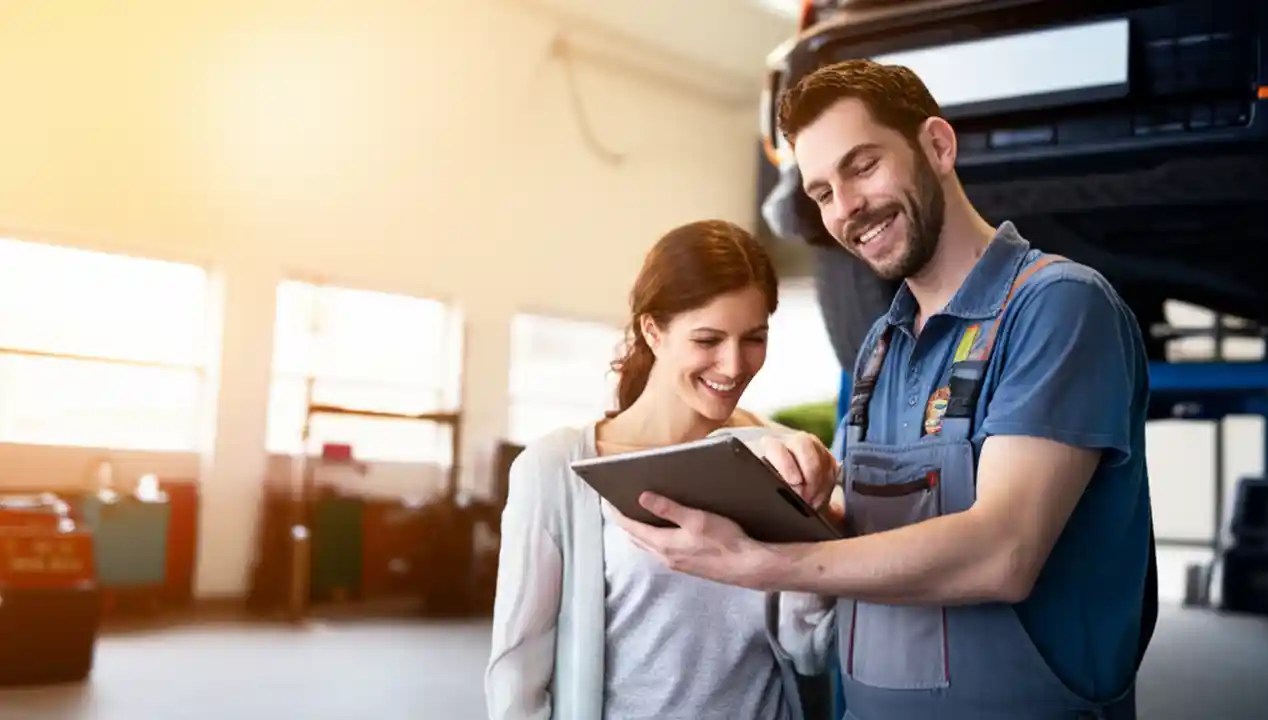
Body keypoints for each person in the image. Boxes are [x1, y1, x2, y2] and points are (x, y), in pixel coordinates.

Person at [615, 59, 1158, 720]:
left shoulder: (1056, 305)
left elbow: (1003, 553)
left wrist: (761, 563)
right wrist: (788, 488)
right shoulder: (882, 344)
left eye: (863, 166)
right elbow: (867, 527)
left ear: (938, 146)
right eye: (821, 192)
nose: (846, 208)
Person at [483, 219, 839, 720]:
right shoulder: (556, 469)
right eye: (708, 339)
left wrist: (818, 533)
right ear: (653, 331)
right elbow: (516, 677)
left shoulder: (779, 455)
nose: (734, 365)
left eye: (753, 338)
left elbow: (809, 652)